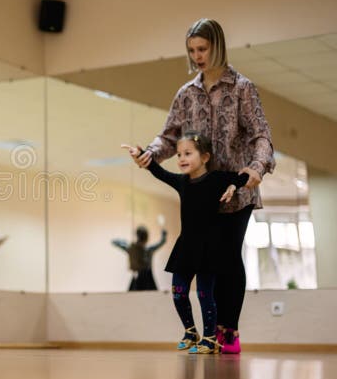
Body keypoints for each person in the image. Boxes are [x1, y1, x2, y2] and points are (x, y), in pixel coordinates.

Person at [129, 18, 275, 354]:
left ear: (217, 46)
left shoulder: (242, 87)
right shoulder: (186, 93)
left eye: (203, 49)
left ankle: (229, 330)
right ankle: (209, 331)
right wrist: (149, 153)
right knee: (207, 261)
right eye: (192, 50)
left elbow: (261, 135)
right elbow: (168, 136)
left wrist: (256, 167)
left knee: (227, 256)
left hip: (237, 188)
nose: (197, 56)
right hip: (202, 191)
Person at [123, 132, 249, 354]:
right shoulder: (182, 182)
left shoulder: (216, 178)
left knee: (204, 294)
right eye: (179, 154)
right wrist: (142, 154)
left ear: (205, 157)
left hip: (209, 248)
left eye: (188, 153)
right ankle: (191, 331)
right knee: (179, 292)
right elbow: (159, 172)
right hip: (186, 247)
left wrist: (232, 186)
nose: (181, 158)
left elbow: (241, 177)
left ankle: (209, 337)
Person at [111, 226, 167, 291]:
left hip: (138, 279)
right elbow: (162, 241)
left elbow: (115, 242)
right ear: (146, 237)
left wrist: (125, 242)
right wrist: (164, 234)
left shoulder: (132, 248)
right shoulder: (147, 249)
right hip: (147, 280)